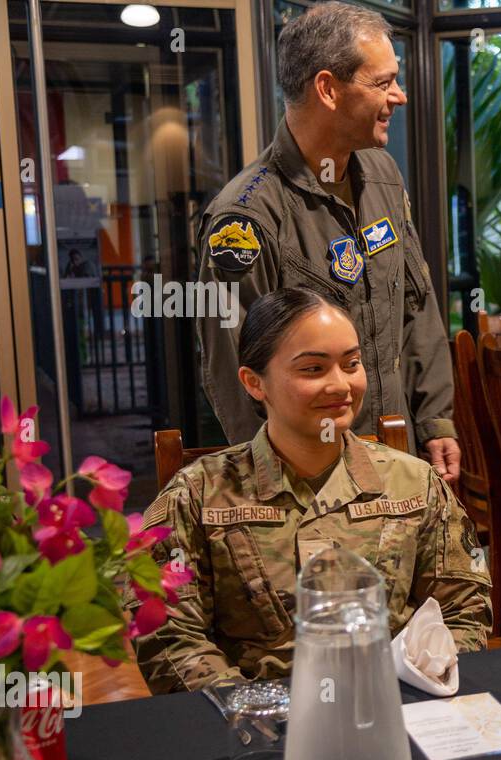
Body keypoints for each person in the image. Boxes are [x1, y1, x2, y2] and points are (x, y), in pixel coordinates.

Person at [131, 288, 490, 694]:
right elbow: (166, 630)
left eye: (351, 364)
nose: (341, 385)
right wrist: (252, 712)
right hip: (255, 729)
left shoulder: (415, 484)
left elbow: (463, 612)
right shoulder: (199, 495)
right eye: (313, 369)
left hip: (394, 709)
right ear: (254, 383)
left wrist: (417, 691)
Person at [196, 1, 460, 485]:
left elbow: (415, 304)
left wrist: (434, 418)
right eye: (382, 83)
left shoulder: (382, 174)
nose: (398, 96)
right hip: (311, 478)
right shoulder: (246, 215)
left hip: (399, 461)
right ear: (327, 89)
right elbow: (231, 368)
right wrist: (277, 481)